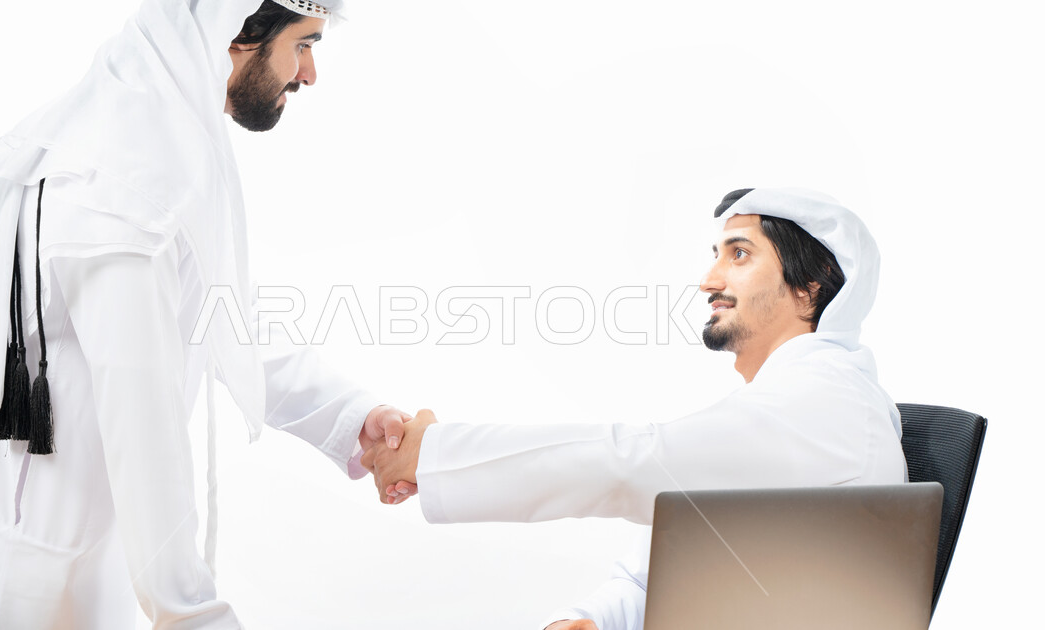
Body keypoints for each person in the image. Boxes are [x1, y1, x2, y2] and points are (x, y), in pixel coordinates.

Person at [0, 1, 412, 628]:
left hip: (46, 536)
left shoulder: (154, 124)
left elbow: (216, 320)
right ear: (237, 37)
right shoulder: (125, 183)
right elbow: (143, 423)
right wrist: (194, 614)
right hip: (8, 562)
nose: (309, 74)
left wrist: (354, 418)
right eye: (304, 44)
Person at [362, 187, 908, 630]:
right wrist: (591, 620)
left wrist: (430, 453)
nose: (708, 281)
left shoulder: (824, 402)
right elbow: (655, 576)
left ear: (810, 288)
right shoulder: (788, 405)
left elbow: (632, 462)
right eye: (715, 256)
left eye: (739, 253)